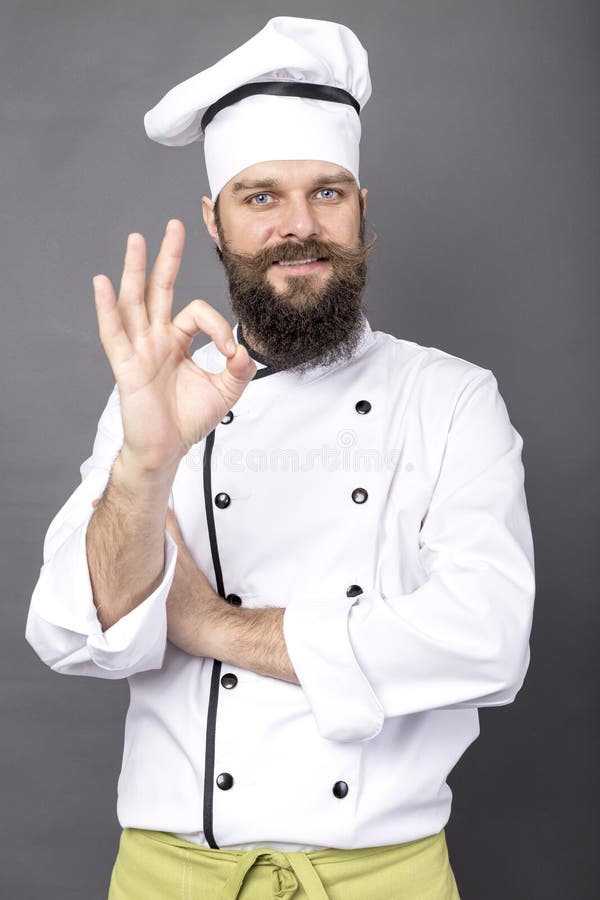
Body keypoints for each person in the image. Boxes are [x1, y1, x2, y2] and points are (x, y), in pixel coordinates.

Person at [25, 16, 535, 900]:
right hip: (169, 878)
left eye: (326, 192)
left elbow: (487, 642)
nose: (300, 228)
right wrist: (146, 464)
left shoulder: (450, 397)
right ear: (214, 221)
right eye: (260, 197)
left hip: (381, 879)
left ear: (361, 206)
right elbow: (71, 636)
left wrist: (215, 627)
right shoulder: (157, 397)